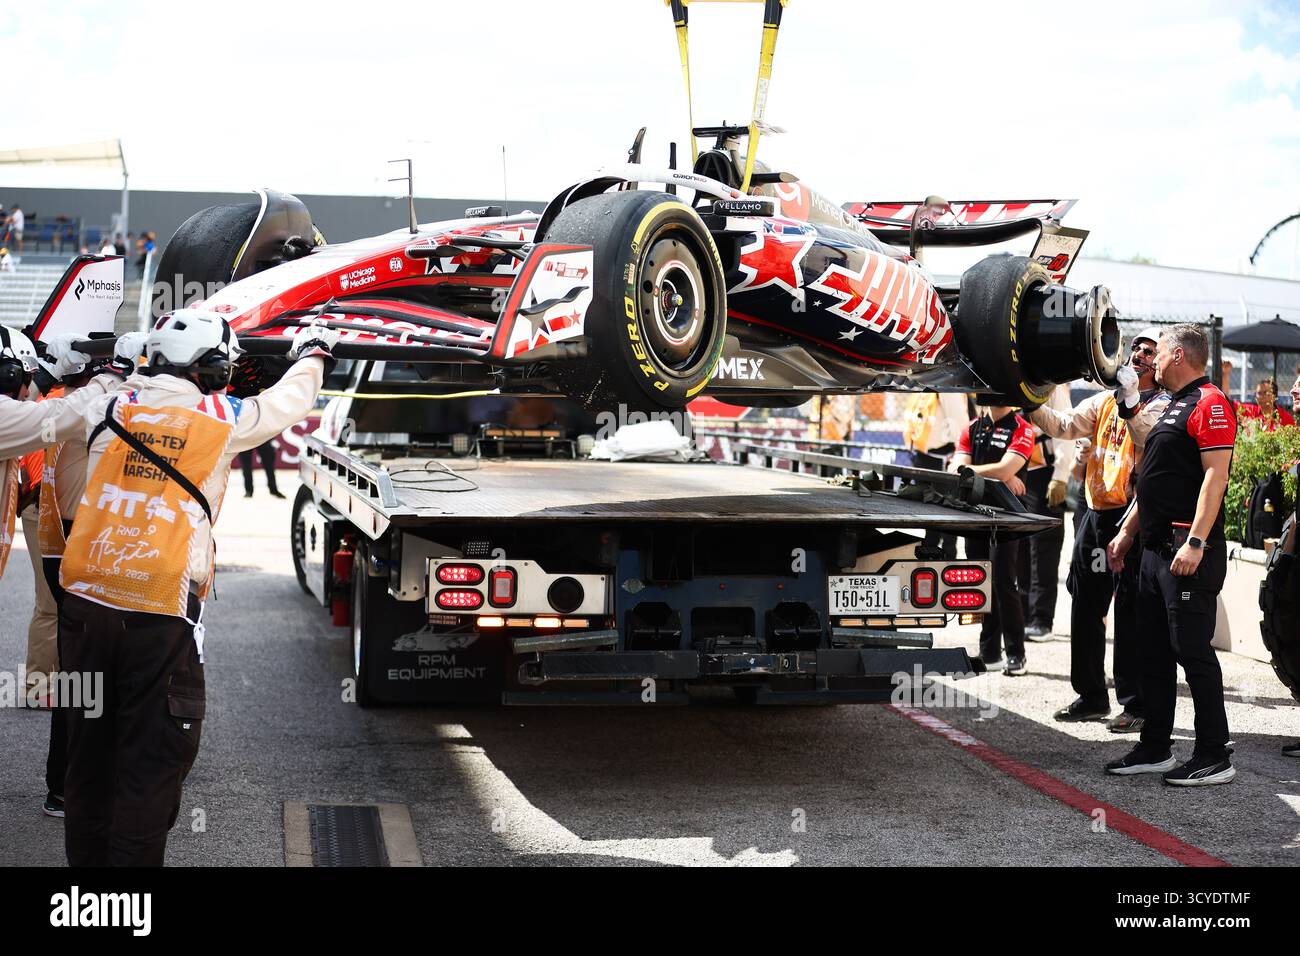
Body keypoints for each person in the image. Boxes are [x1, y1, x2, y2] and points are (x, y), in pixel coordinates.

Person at [59, 310, 338, 866]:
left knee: (88, 754)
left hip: (85, 603)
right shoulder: (220, 416)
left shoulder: (107, 405)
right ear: (211, 371)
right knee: (152, 759)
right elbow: (286, 403)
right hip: (159, 610)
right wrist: (313, 354)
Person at [1106, 324, 1237, 786]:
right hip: (1152, 551)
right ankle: (1156, 746)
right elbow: (1156, 479)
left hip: (1187, 550)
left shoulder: (1210, 402)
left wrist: (1197, 542)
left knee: (1191, 651)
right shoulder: (1169, 406)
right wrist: (1126, 533)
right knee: (1153, 650)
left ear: (1178, 354)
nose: (1150, 360)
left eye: (1158, 352)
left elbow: (1214, 479)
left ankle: (1213, 753)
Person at [1029, 328, 1168, 730]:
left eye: (1150, 351)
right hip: (1095, 513)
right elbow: (1063, 424)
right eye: (1137, 348)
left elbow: (1143, 433)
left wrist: (1129, 399)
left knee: (1129, 610)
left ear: (1160, 365)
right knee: (1086, 604)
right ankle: (1090, 695)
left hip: (1131, 518)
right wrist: (1029, 399)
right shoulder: (1105, 400)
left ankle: (1135, 703)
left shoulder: (1161, 406)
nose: (1140, 355)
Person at [950, 403, 1033, 675]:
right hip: (975, 514)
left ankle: (1016, 654)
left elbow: (1003, 468)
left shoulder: (1022, 427)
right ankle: (989, 652)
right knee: (980, 581)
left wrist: (983, 471)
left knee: (1004, 582)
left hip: (1007, 517)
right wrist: (999, 474)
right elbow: (955, 468)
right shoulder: (972, 427)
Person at [1019, 385, 1072, 639]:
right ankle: (1023, 612)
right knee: (1018, 545)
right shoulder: (1011, 377)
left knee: (1044, 547)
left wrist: (1060, 475)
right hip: (1016, 471)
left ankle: (1041, 618)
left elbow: (1065, 428)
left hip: (1044, 472)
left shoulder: (1052, 385)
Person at [903, 392, 973, 558]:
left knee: (946, 516)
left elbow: (959, 425)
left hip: (940, 458)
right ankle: (930, 556)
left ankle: (946, 560)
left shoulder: (945, 389)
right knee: (930, 517)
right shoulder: (926, 386)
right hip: (925, 456)